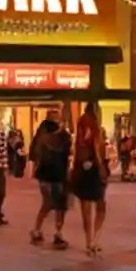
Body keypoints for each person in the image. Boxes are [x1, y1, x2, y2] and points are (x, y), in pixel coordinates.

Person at [28, 109, 70, 250]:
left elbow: (33, 153)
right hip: (55, 174)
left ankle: (40, 230)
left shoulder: (42, 134)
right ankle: (54, 232)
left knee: (51, 204)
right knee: (56, 205)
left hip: (48, 174)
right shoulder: (62, 135)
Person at [72, 104, 108, 257]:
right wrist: (100, 166)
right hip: (92, 169)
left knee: (86, 208)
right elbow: (97, 149)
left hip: (80, 169)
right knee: (99, 207)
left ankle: (90, 241)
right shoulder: (93, 128)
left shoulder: (80, 126)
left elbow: (78, 148)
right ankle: (92, 240)